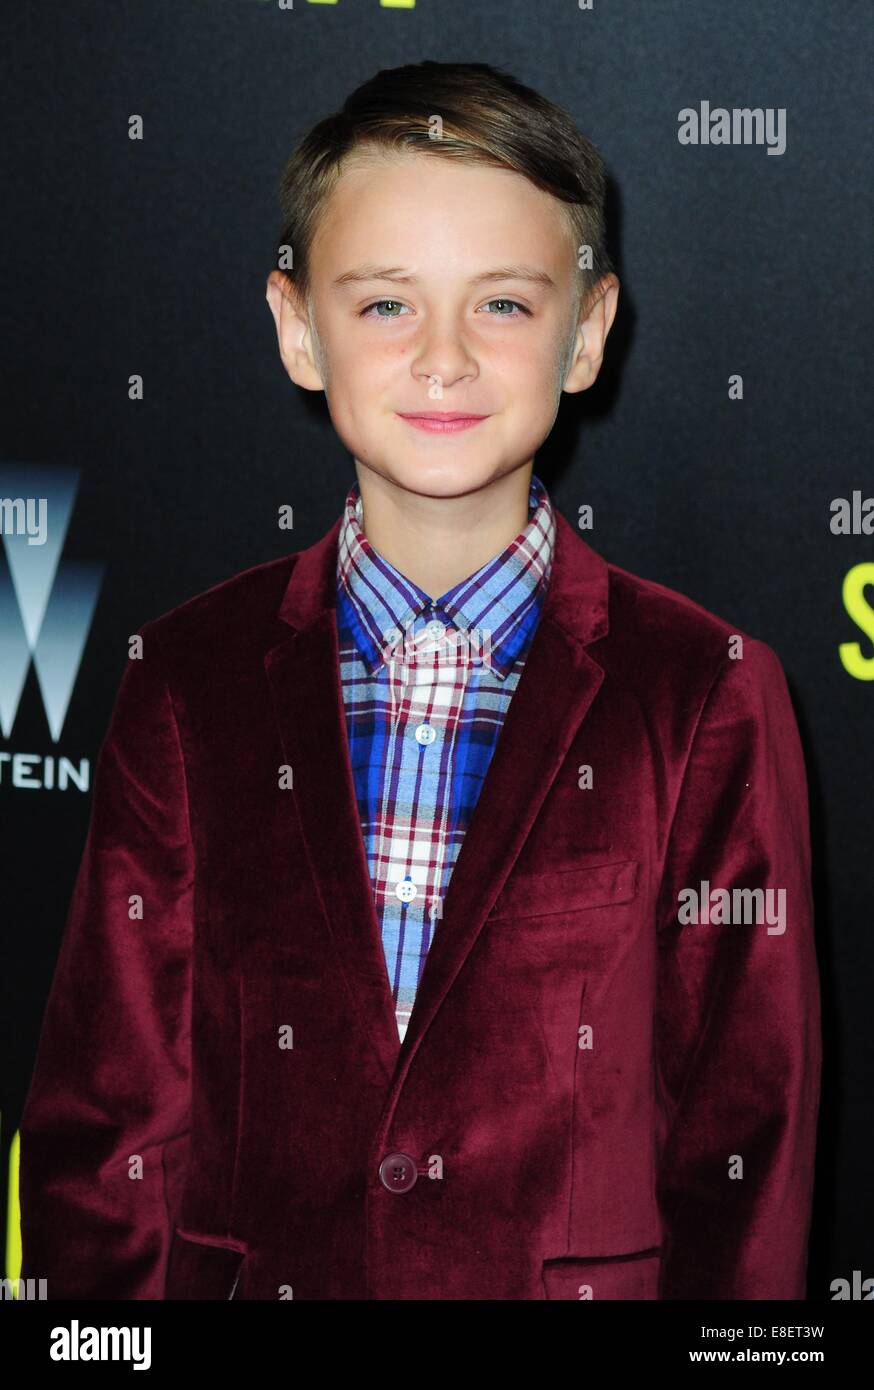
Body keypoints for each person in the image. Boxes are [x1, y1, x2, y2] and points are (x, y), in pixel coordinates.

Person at [19, 60, 821, 1300]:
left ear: (587, 331)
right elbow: (106, 1119)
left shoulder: (703, 693)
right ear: (297, 327)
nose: (442, 360)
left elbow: (745, 1138)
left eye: (501, 304)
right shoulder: (185, 678)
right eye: (386, 305)